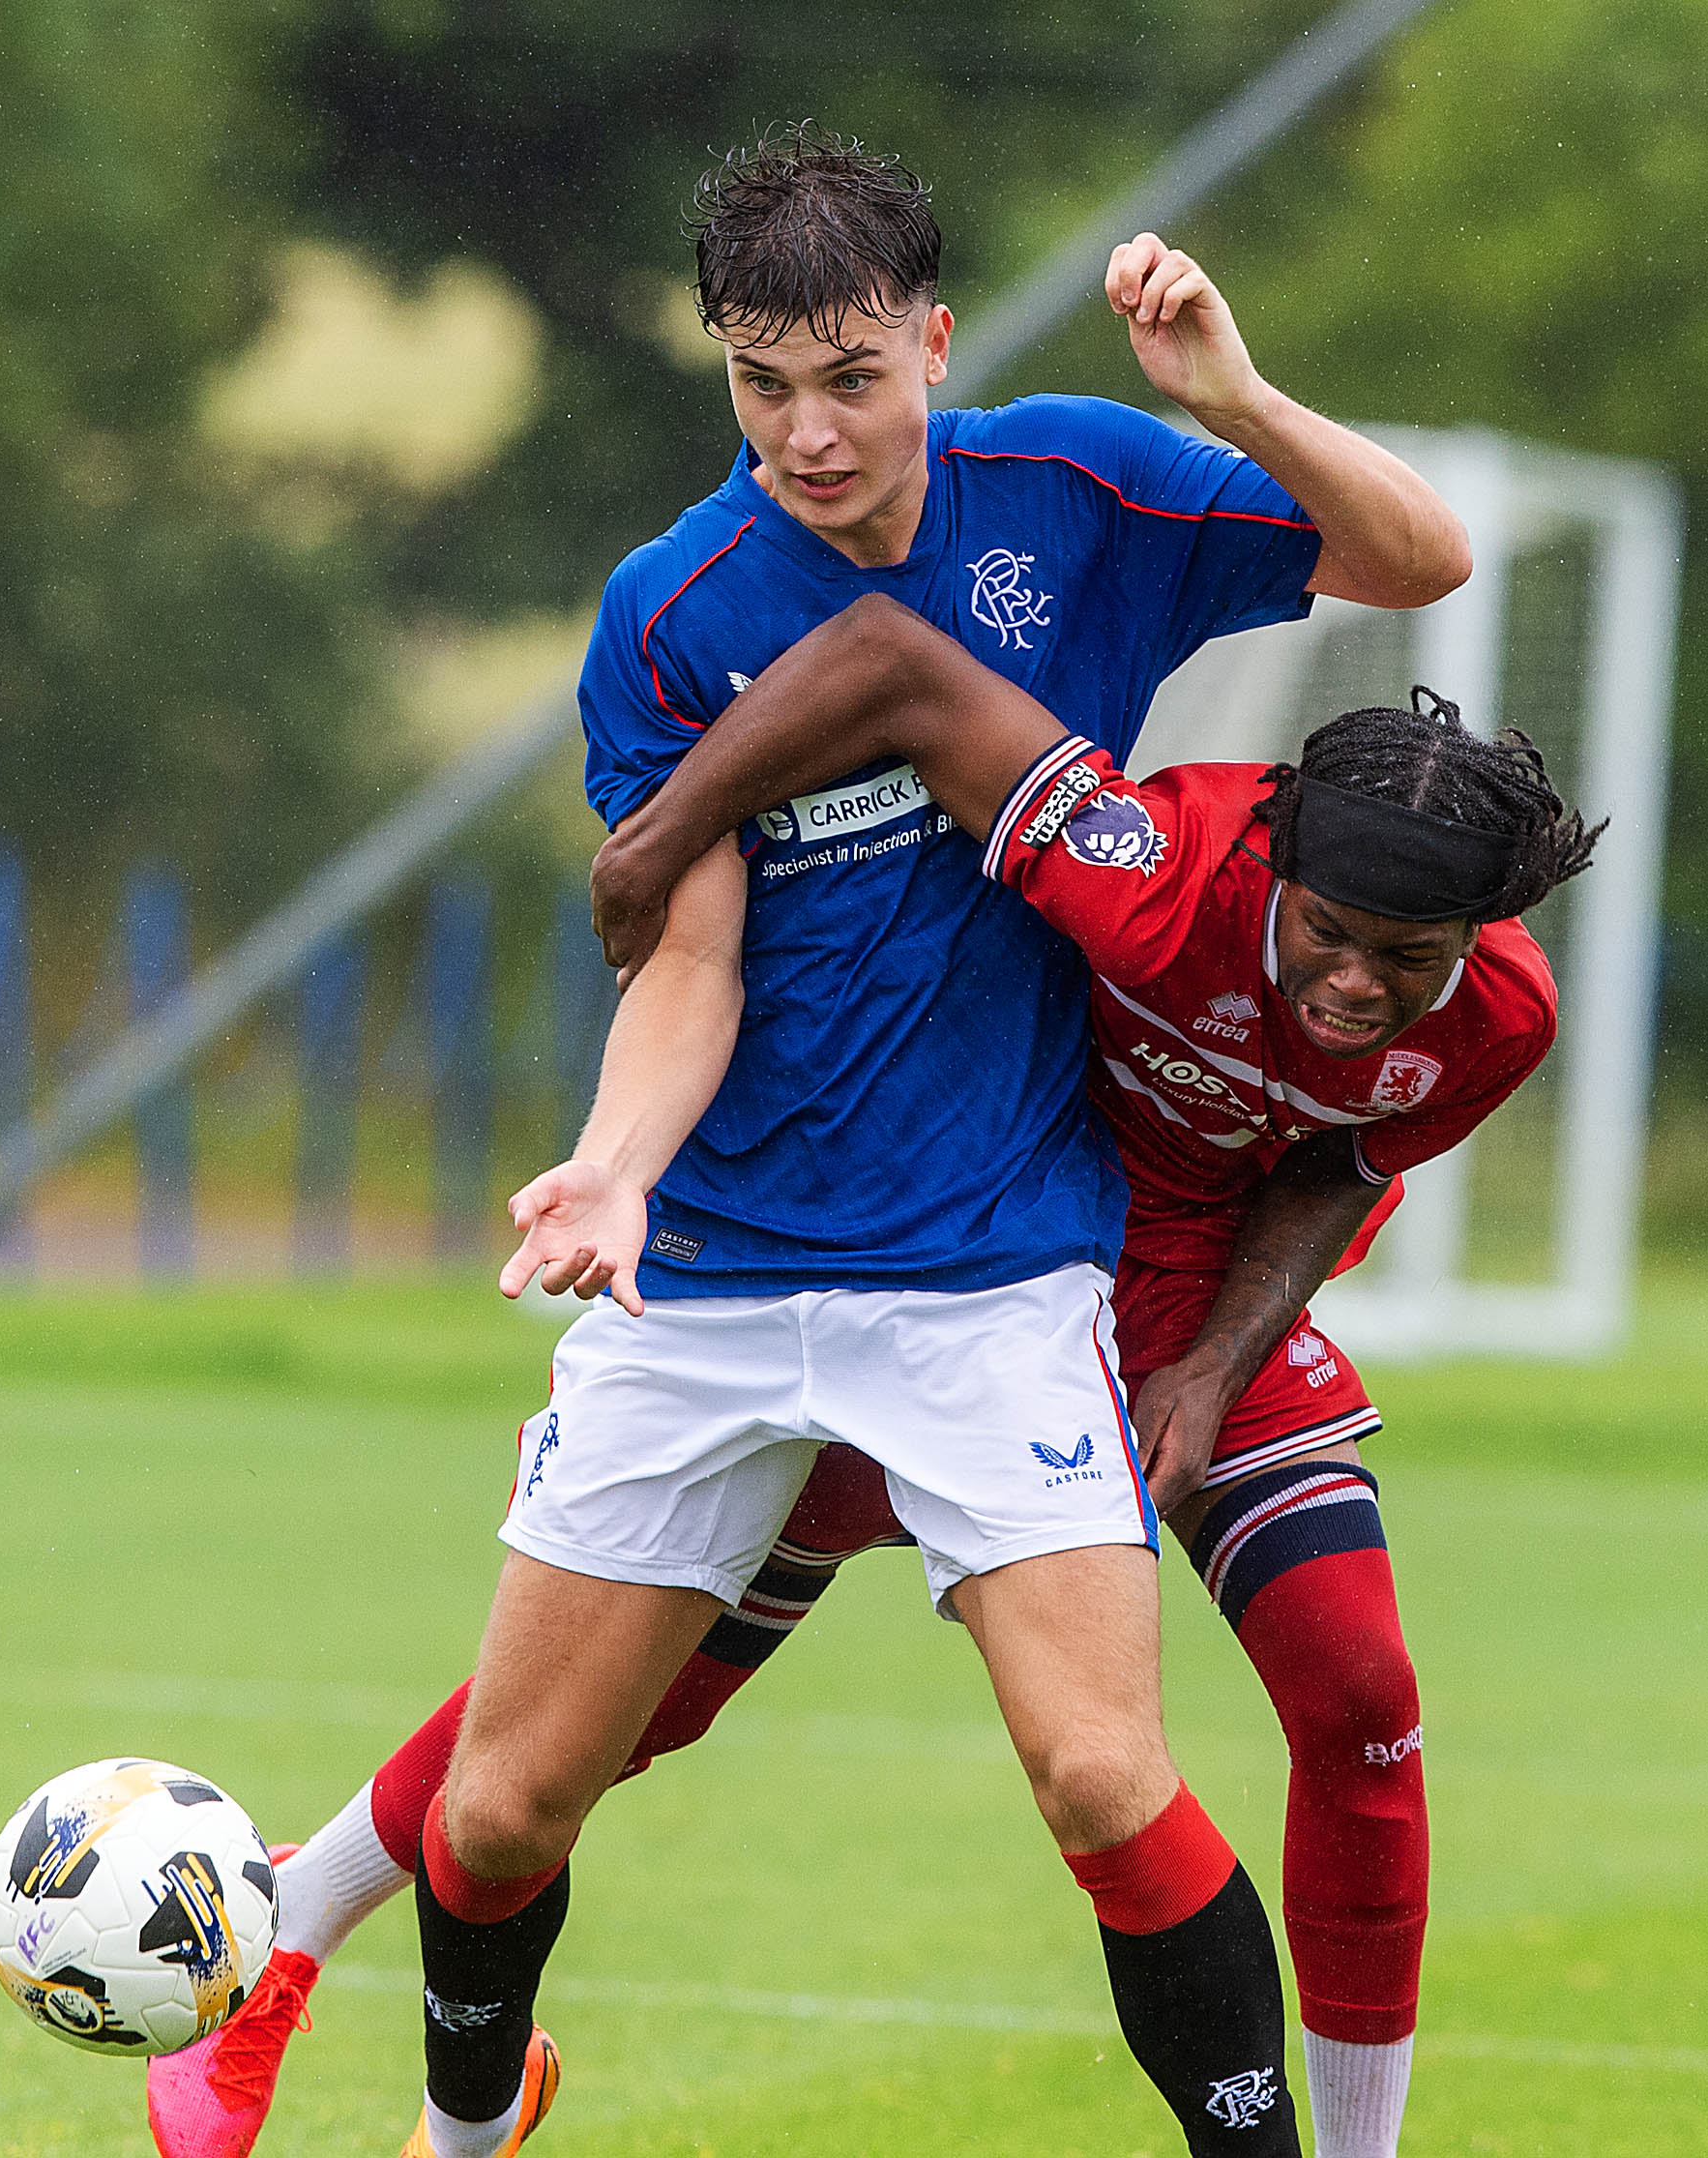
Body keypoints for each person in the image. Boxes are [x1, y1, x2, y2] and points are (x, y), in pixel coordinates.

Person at [150, 123, 1468, 2158]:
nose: (809, 431)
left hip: (996, 1269)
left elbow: (1413, 556)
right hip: (717, 1278)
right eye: (762, 385)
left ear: (933, 342)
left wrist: (1225, 394)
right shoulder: (672, 609)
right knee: (503, 1811)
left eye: (851, 378)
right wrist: (612, 1165)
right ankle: (468, 2125)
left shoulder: (1076, 491)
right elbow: (683, 958)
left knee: (1105, 1784)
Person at [145, 637, 1592, 2158]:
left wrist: (1209, 1369)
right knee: (616, 1716)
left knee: (1356, 1695)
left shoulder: (1495, 1016)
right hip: (989, 1280)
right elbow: (914, 698)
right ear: (1274, 858)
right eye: (1333, 934)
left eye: (1408, 958)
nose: (1360, 983)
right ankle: (295, 1924)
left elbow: (1335, 1163)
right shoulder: (1149, 861)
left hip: (1199, 1309)